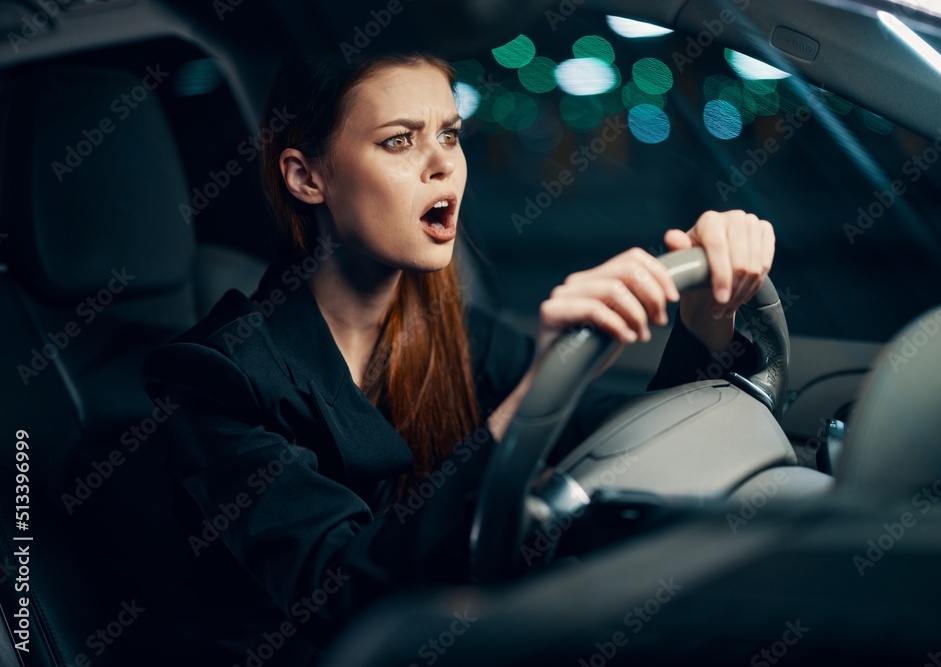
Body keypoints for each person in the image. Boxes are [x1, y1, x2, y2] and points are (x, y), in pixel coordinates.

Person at [140, 51, 775, 664]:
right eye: (399, 141)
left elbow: (620, 441)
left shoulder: (455, 331)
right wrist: (529, 401)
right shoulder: (215, 377)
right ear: (308, 178)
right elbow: (342, 590)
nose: (444, 165)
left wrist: (709, 317)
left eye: (450, 133)